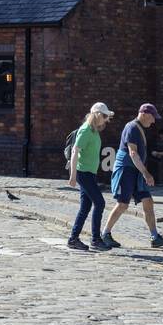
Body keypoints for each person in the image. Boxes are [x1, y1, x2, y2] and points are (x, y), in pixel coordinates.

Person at [101, 104, 163, 249]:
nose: (153, 121)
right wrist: (146, 173)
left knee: (148, 201)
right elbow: (132, 153)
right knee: (123, 204)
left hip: (135, 172)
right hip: (126, 171)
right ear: (145, 114)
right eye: (153, 117)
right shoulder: (132, 128)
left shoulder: (138, 128)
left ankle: (155, 237)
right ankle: (105, 234)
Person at [67, 102, 115, 252]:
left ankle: (73, 239)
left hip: (89, 173)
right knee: (99, 203)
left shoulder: (94, 131)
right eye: (105, 116)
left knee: (85, 207)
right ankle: (95, 239)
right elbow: (75, 152)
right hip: (83, 173)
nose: (107, 119)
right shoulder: (86, 130)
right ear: (98, 115)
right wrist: (73, 176)